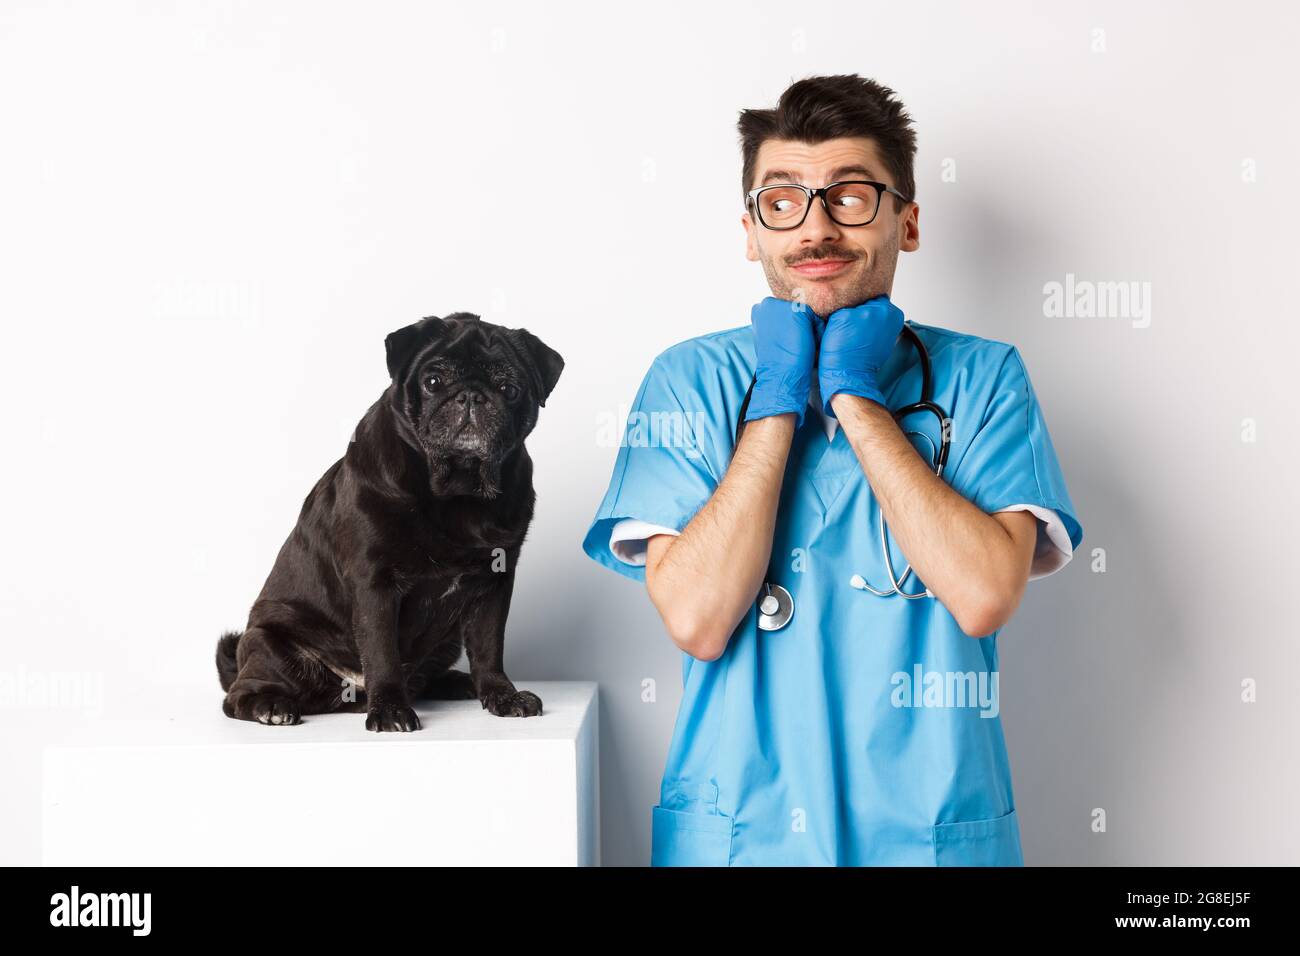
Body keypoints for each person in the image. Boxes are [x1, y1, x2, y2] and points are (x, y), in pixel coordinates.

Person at [581, 74, 1083, 866]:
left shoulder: (985, 378)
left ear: (907, 222)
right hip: (744, 839)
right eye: (782, 202)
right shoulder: (688, 383)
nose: (815, 229)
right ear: (752, 231)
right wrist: (778, 401)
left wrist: (856, 398)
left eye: (849, 197)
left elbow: (985, 595)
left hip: (929, 838)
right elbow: (699, 619)